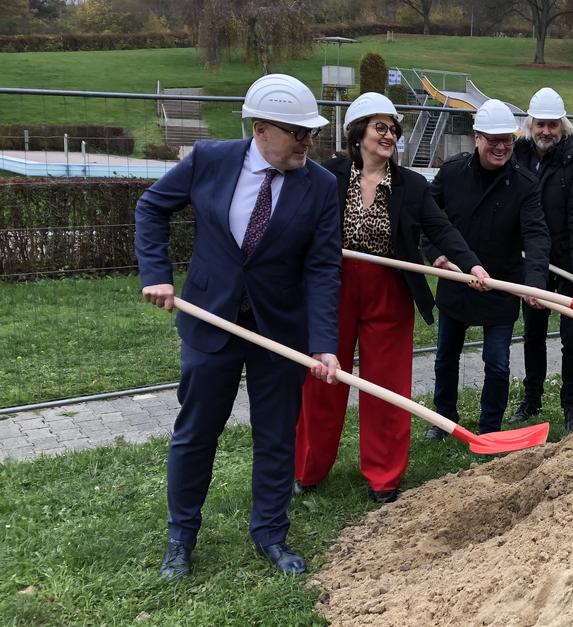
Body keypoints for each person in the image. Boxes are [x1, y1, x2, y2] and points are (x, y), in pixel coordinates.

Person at [135, 74, 342, 580]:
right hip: (210, 319)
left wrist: (322, 345)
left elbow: (323, 269)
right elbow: (151, 208)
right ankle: (181, 538)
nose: (308, 143)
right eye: (298, 133)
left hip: (279, 331)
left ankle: (270, 533)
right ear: (261, 129)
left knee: (276, 438)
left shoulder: (320, 185)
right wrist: (158, 275)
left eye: (311, 132)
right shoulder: (210, 161)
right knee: (196, 432)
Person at [293, 92, 489, 504]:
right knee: (323, 378)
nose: (389, 136)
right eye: (380, 127)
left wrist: (471, 265)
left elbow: (442, 229)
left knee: (387, 385)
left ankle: (384, 475)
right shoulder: (326, 176)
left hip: (389, 290)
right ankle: (308, 469)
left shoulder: (411, 186)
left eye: (394, 130)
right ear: (358, 132)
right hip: (334, 287)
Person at [423, 99, 550, 440]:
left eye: (507, 139)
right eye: (492, 139)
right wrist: (436, 254)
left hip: (501, 285)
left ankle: (490, 428)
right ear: (476, 138)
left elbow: (536, 234)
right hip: (456, 279)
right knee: (445, 358)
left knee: (497, 362)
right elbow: (426, 220)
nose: (500, 146)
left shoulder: (524, 184)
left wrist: (534, 283)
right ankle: (444, 419)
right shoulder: (451, 173)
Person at [506, 87, 573, 433]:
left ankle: (571, 403)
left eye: (553, 125)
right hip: (532, 261)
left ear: (563, 126)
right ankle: (531, 399)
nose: (546, 131)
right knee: (532, 332)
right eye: (540, 125)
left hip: (568, 260)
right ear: (530, 124)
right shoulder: (517, 156)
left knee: (572, 336)